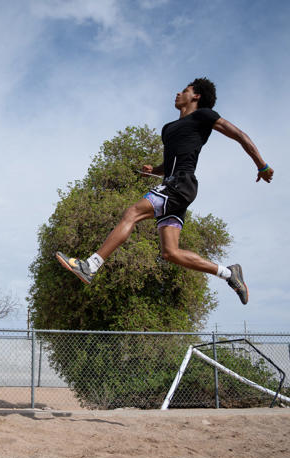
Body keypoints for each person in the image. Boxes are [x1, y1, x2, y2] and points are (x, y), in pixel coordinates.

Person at [56, 77, 273, 305]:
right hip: (173, 183)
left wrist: (262, 165)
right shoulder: (168, 129)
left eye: (185, 90)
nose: (178, 93)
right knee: (170, 253)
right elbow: (170, 163)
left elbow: (239, 135)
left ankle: (90, 266)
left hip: (181, 183)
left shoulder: (204, 115)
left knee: (132, 212)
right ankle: (229, 273)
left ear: (196, 96)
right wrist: (155, 170)